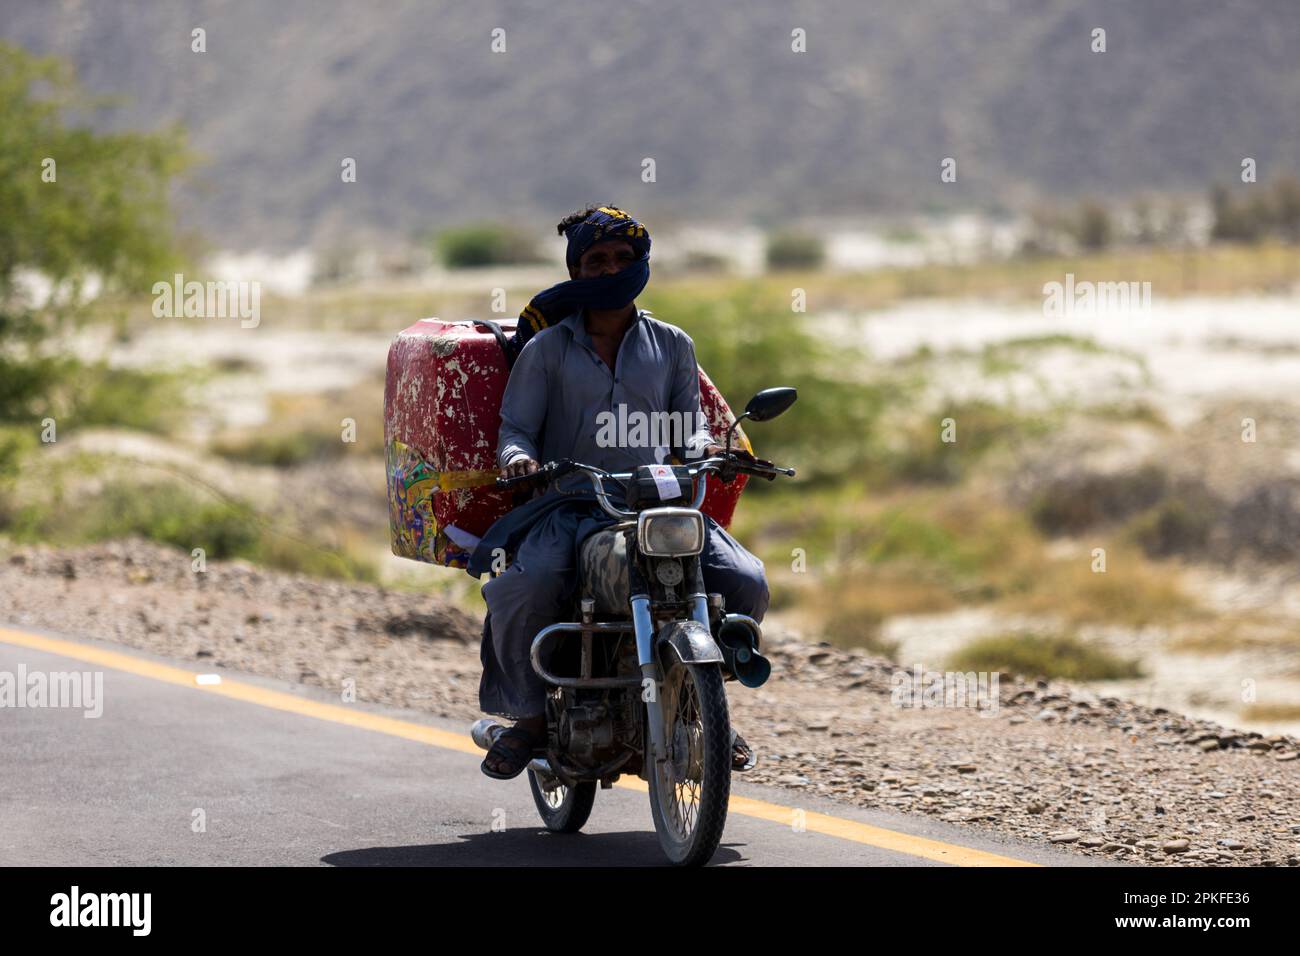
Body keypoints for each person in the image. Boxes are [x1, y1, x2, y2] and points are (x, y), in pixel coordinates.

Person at [465, 204, 769, 779]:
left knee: (746, 579)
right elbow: (516, 430)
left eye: (621, 258)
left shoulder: (673, 344)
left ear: (641, 264)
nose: (609, 269)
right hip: (572, 506)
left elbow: (690, 423)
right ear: (575, 272)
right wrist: (518, 459)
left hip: (658, 506)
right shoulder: (547, 350)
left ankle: (703, 703)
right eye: (595, 260)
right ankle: (530, 720)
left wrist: (704, 447)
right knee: (522, 590)